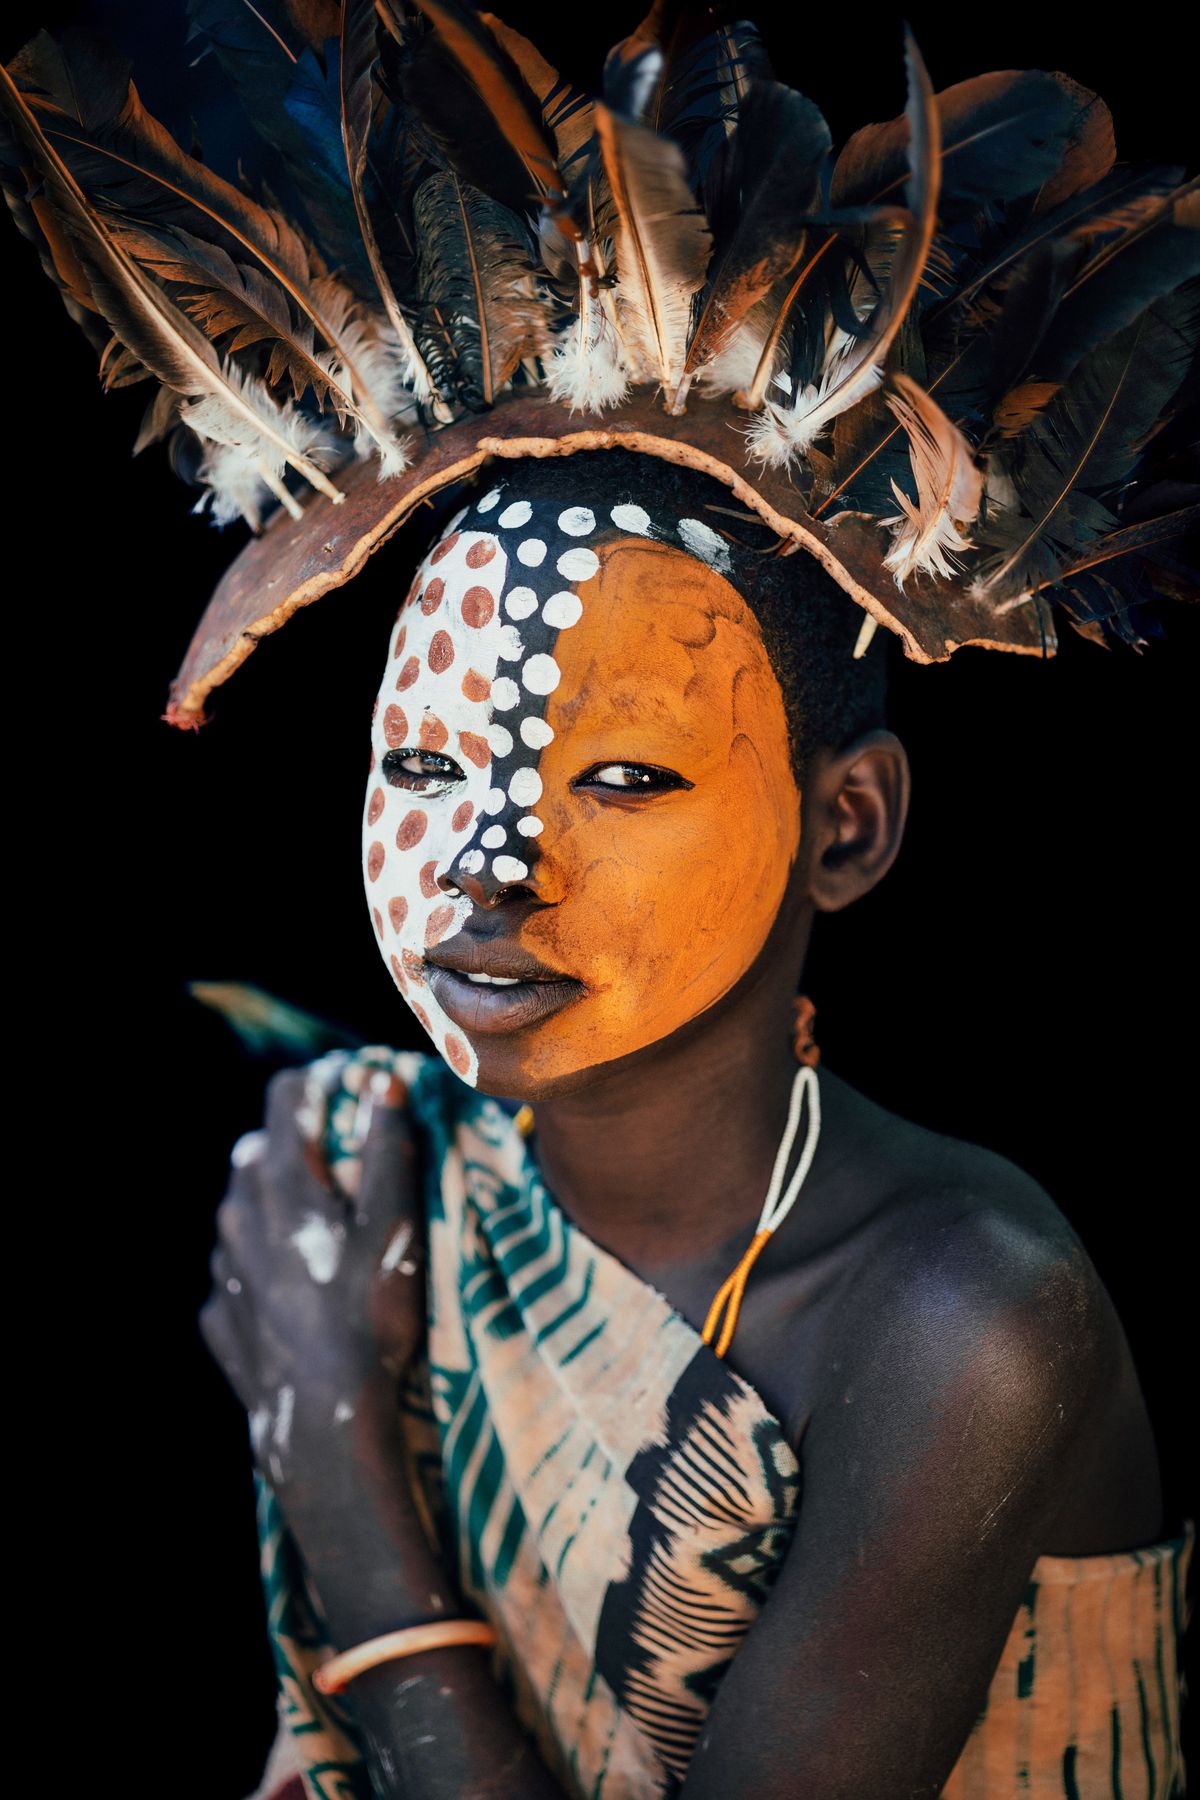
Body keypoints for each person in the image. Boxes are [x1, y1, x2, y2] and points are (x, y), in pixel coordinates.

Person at [3, 3, 1193, 1796]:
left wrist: (341, 1459)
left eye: (623, 779)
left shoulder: (963, 1325)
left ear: (847, 828)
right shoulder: (365, 1175)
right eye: (421, 772)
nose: (485, 868)